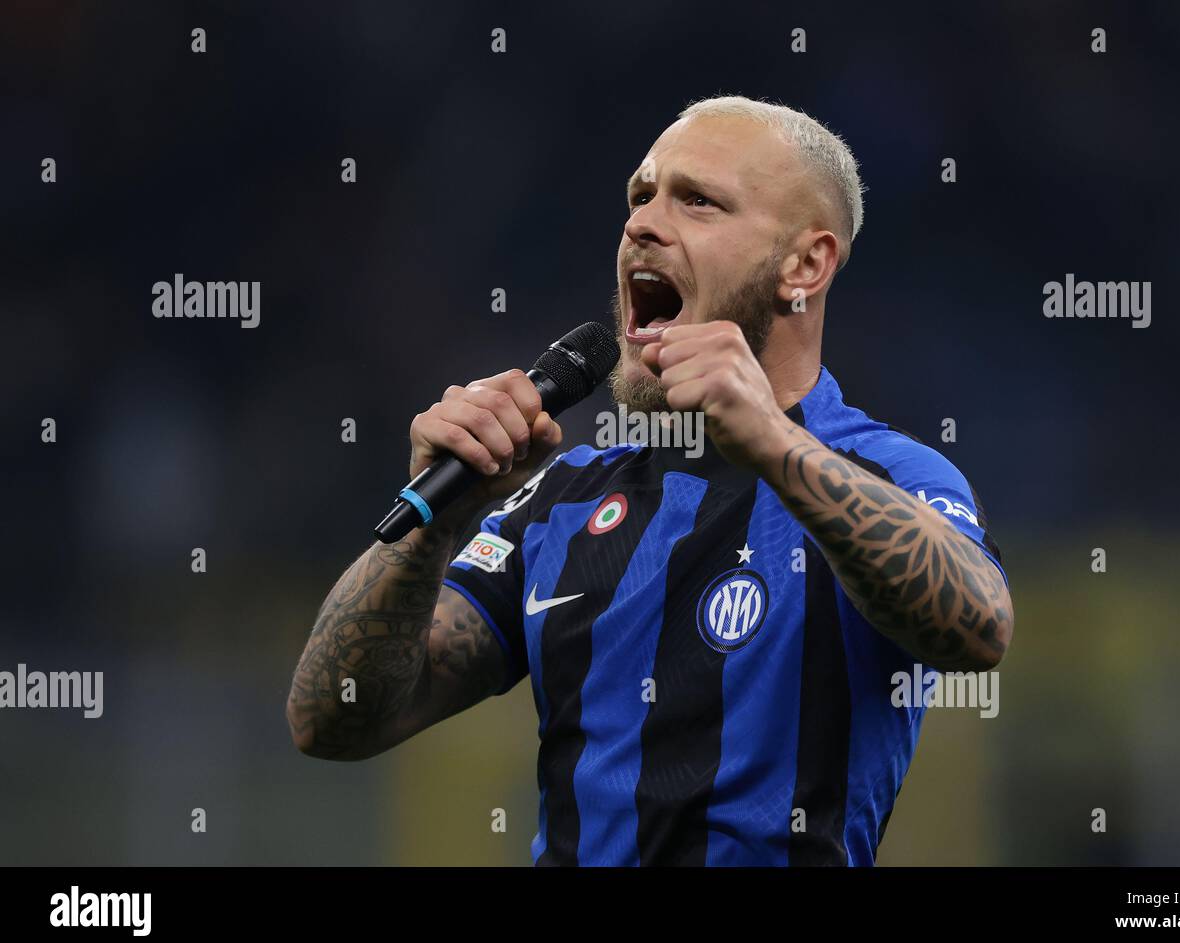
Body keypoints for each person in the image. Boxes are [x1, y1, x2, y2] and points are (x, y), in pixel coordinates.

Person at [286, 95, 1014, 866]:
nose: (642, 223)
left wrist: (770, 441)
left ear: (805, 265)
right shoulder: (562, 497)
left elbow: (978, 631)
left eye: (698, 201)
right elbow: (334, 722)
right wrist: (434, 529)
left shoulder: (887, 473)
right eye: (641, 196)